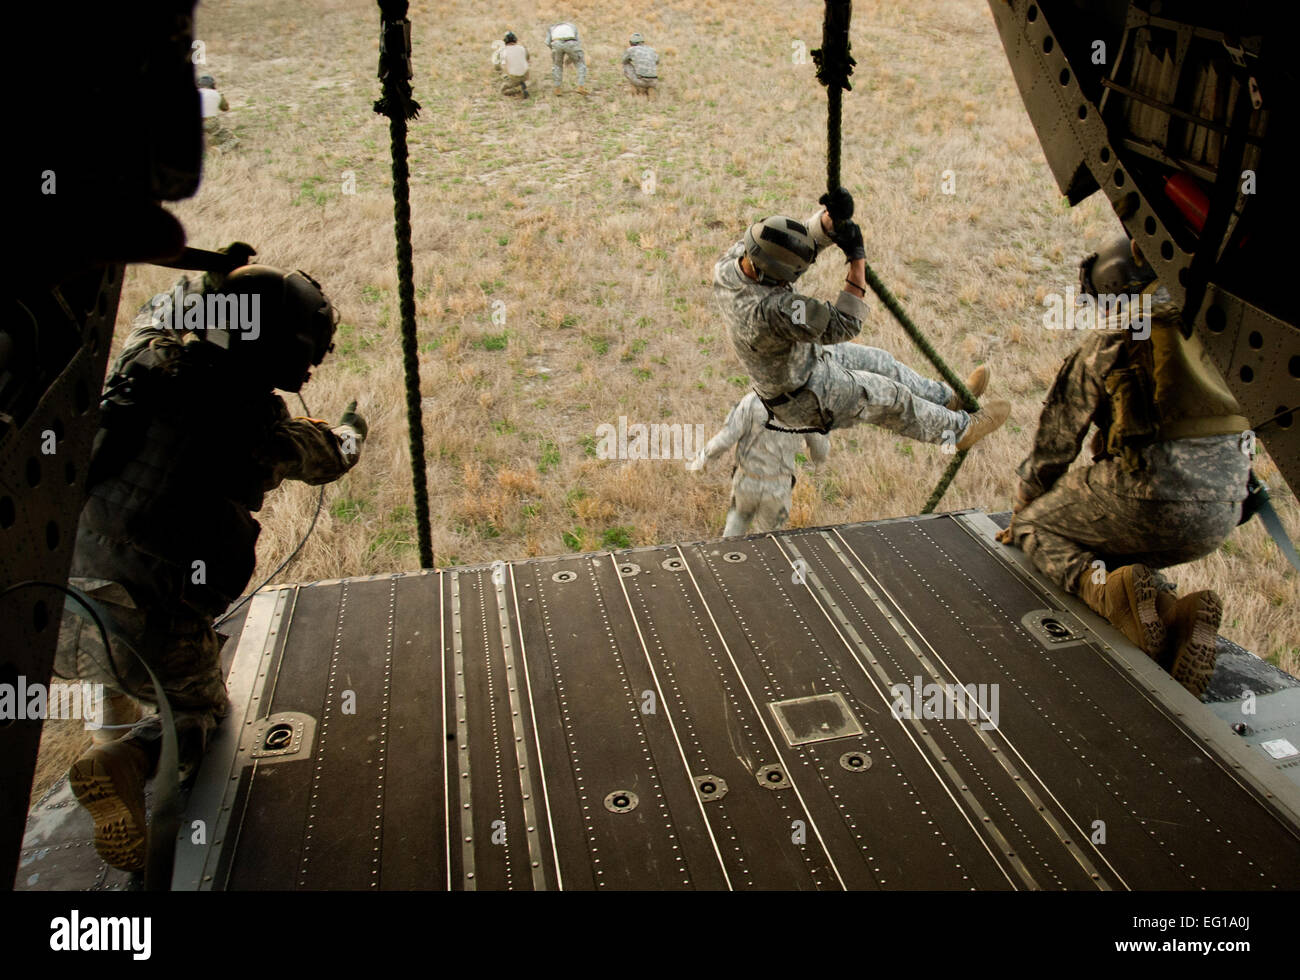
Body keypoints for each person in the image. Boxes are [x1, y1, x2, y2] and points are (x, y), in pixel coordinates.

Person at [55, 252, 367, 871]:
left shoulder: (143, 360)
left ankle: (103, 740)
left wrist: (211, 276)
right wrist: (354, 426)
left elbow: (157, 310)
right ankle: (126, 759)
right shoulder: (261, 430)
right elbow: (333, 455)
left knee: (110, 628)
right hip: (149, 627)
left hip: (55, 603)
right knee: (200, 713)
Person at [997, 235, 1249, 698]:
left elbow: (1055, 442)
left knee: (1040, 527)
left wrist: (1025, 508)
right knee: (1116, 539)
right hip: (1222, 514)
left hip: (1149, 498)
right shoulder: (1216, 331)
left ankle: (1103, 592)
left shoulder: (1113, 337)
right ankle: (1175, 612)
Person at [714, 188, 1007, 451]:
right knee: (888, 396)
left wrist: (827, 223)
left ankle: (948, 399)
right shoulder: (772, 312)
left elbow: (786, 245)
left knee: (882, 362)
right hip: (804, 397)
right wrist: (857, 259)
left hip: (807, 361)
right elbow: (845, 323)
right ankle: (959, 431)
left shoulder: (735, 261)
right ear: (772, 277)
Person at [688, 391, 828, 536]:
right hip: (778, 489)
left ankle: (726, 555)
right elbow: (821, 451)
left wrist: (702, 460)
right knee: (769, 543)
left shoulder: (752, 401)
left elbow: (726, 439)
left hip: (746, 483)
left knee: (735, 527)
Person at [546, 21, 587, 93]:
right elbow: (578, 42)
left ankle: (557, 89)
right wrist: (571, 58)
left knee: (557, 66)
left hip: (556, 43)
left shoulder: (551, 28)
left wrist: (553, 50)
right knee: (580, 64)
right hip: (571, 42)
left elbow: (547, 42)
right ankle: (581, 87)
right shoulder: (572, 25)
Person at [197, 73, 233, 149]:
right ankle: (220, 149)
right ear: (213, 85)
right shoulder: (217, 94)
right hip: (210, 121)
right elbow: (225, 108)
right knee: (232, 140)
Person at [494, 30, 530, 98]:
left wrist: (502, 74)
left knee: (503, 90)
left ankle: (519, 88)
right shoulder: (523, 48)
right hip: (526, 75)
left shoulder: (502, 51)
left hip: (514, 76)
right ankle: (525, 83)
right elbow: (527, 59)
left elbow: (497, 66)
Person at [622, 33, 659, 97]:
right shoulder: (652, 50)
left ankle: (635, 88)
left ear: (631, 42)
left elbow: (624, 60)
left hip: (640, 81)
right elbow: (657, 61)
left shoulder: (631, 49)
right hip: (654, 81)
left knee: (626, 65)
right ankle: (650, 89)